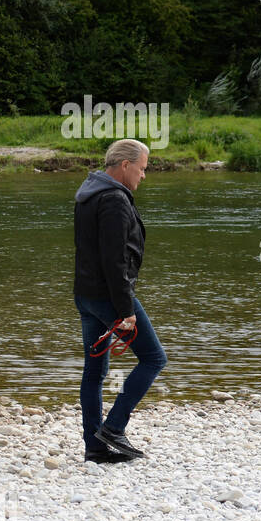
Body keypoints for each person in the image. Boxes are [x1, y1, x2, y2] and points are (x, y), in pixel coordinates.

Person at [73, 138, 167, 463]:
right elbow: (113, 261)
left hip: (86, 295)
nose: (143, 176)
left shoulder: (89, 192)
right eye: (141, 169)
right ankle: (114, 427)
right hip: (109, 297)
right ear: (125, 165)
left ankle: (95, 448)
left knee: (94, 371)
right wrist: (126, 310)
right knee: (154, 358)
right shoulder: (114, 199)